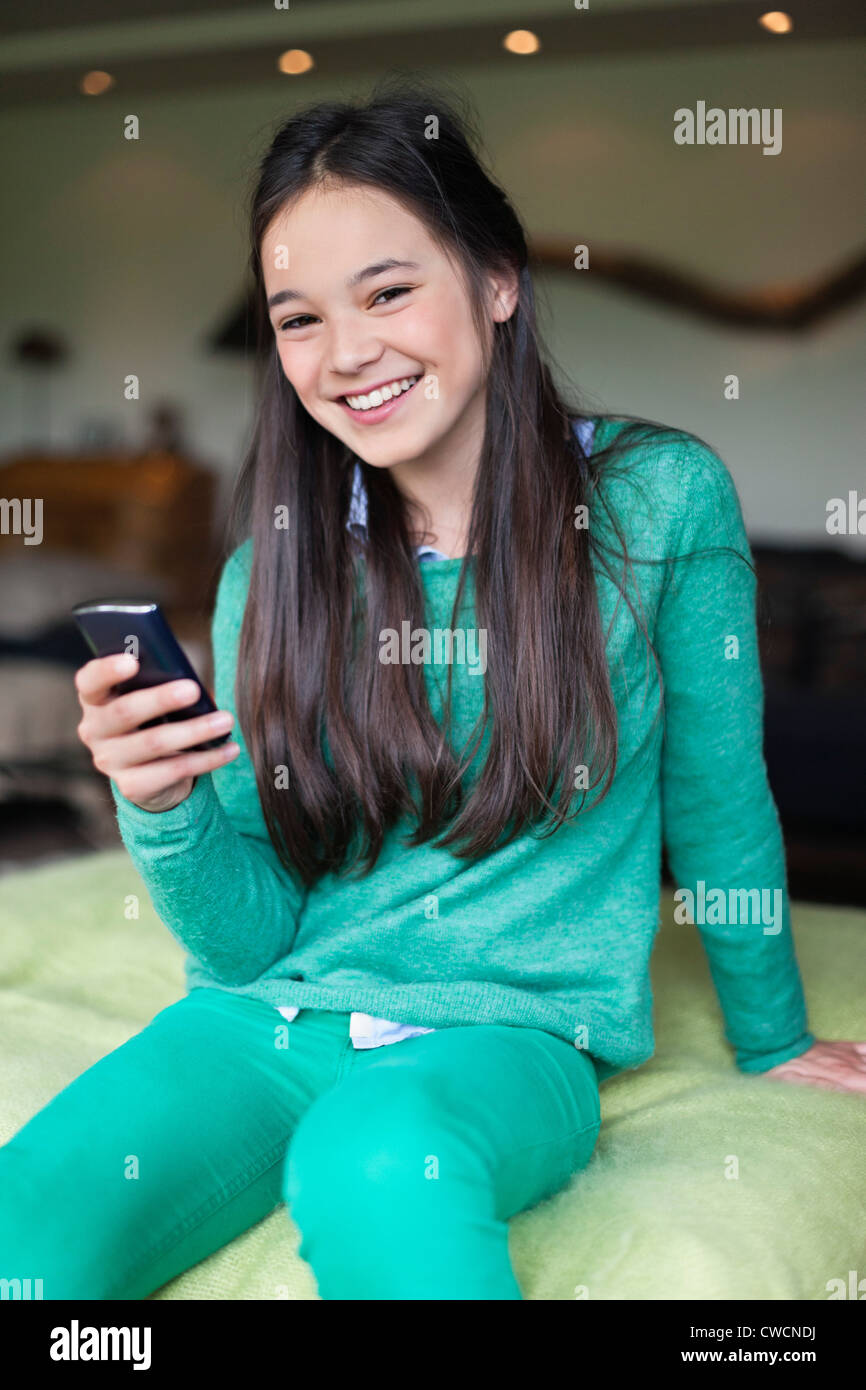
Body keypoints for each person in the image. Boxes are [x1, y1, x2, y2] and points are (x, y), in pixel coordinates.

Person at [2, 80, 863, 1303]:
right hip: (259, 1021)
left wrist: (774, 1040)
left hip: (509, 1040)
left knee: (373, 1159)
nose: (346, 354)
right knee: (21, 1242)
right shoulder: (272, 568)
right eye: (297, 318)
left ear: (497, 280)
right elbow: (247, 933)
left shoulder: (660, 500)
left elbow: (718, 792)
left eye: (389, 291)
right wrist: (161, 804)